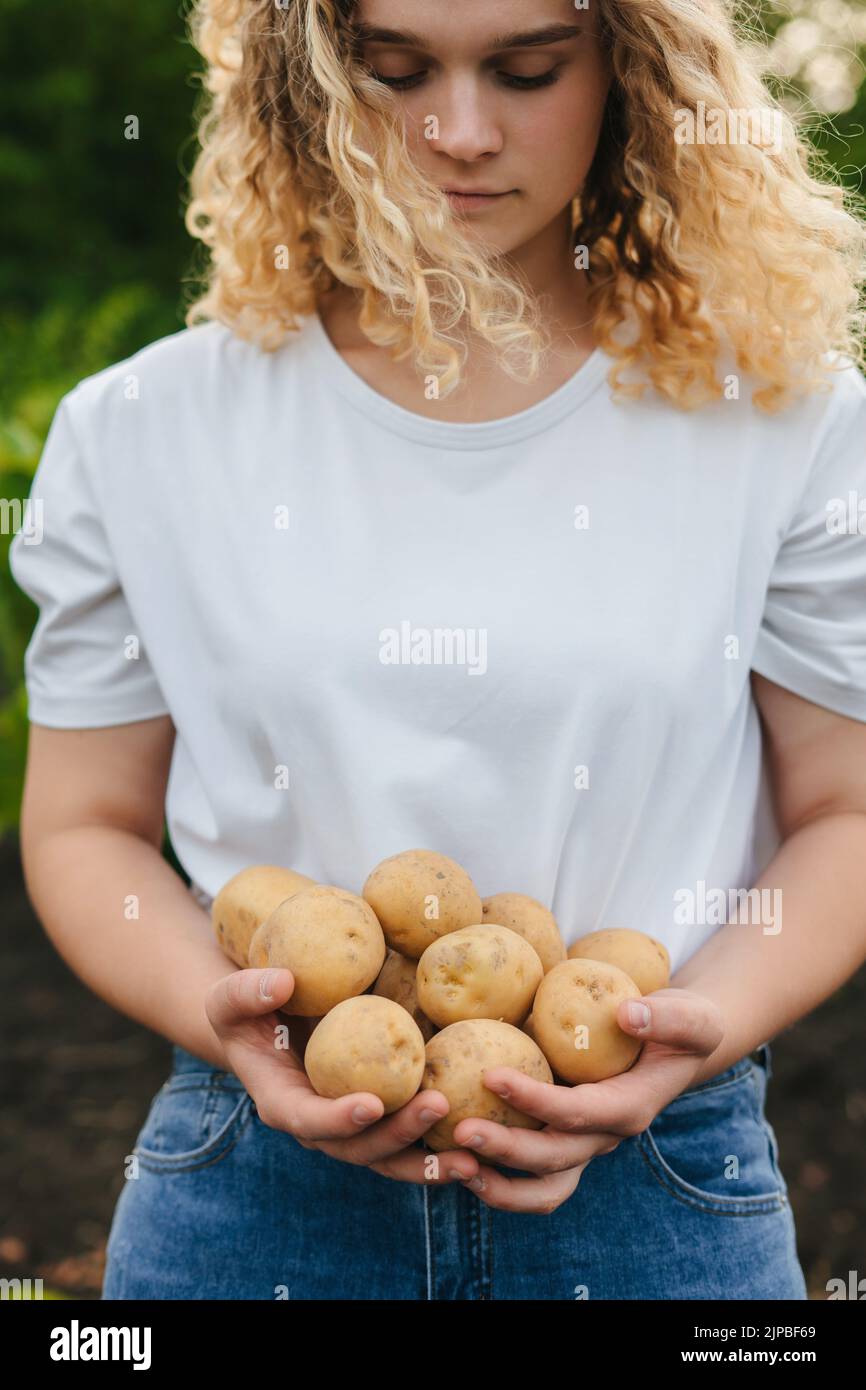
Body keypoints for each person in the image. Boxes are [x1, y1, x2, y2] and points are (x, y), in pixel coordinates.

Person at [10, 0, 866, 1301]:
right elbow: (84, 825)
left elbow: (846, 808)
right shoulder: (143, 430)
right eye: (393, 70)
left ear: (627, 71)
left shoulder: (781, 416)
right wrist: (225, 1020)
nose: (460, 133)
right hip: (251, 1193)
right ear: (304, 82)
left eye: (526, 69)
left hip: (661, 1189)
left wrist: (696, 1033)